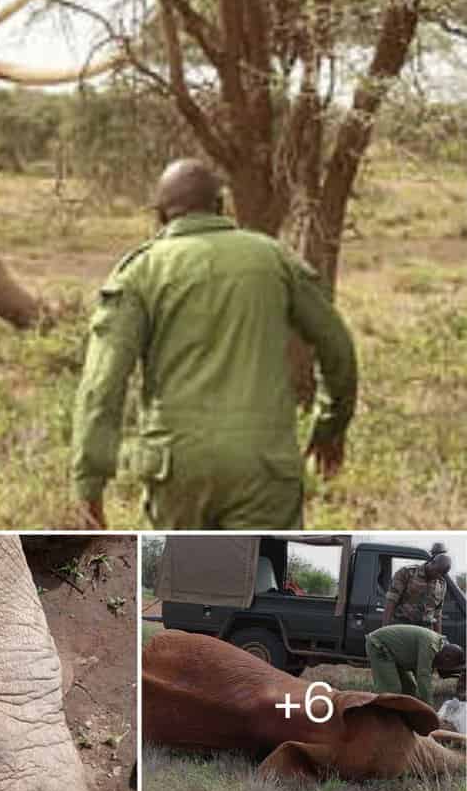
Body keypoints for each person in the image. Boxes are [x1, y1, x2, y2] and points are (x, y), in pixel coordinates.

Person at [71, 158, 358, 529]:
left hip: (176, 468)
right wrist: (331, 425)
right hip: (264, 465)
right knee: (266, 567)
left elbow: (101, 385)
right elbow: (337, 346)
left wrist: (89, 485)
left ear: (160, 215)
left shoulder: (140, 272)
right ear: (221, 205)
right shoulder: (273, 258)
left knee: (183, 568)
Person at [365, 624, 463, 707]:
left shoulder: (438, 648)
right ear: (447, 657)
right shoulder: (431, 646)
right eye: (450, 666)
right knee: (392, 690)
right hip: (379, 645)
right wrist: (430, 707)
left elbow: (419, 673)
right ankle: (384, 716)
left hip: (394, 655)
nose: (448, 668)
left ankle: (405, 714)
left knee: (409, 688)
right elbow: (423, 676)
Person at [382, 553, 451, 634]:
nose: (438, 575)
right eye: (437, 571)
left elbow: (437, 614)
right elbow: (391, 602)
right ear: (432, 562)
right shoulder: (407, 573)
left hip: (425, 631)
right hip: (403, 627)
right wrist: (384, 631)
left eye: (442, 574)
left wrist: (438, 637)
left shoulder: (441, 583)